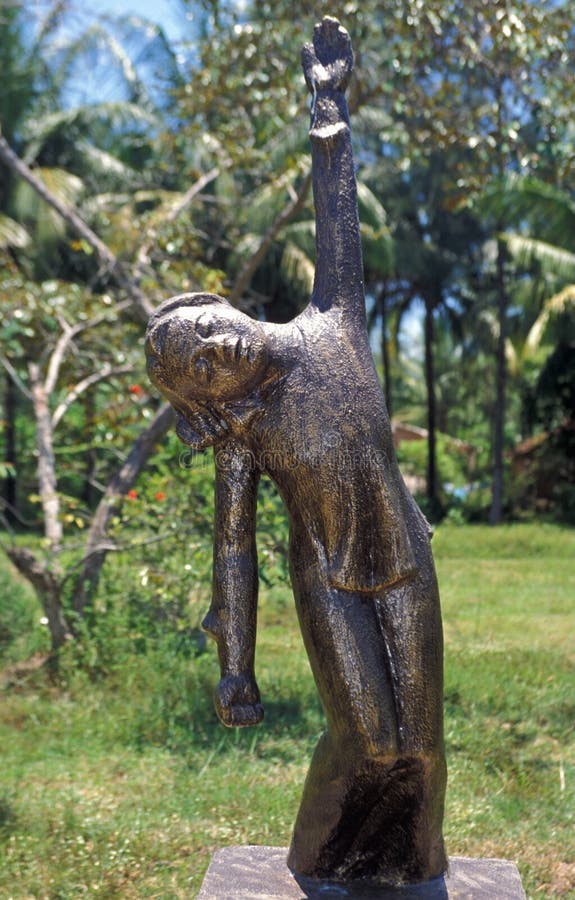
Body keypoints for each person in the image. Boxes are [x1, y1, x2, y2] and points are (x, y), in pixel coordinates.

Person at [146, 16, 447, 885]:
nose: (218, 351)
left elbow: (337, 216)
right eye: (199, 366)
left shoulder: (334, 322)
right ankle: (319, 857)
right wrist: (234, 667)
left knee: (421, 748)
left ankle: (406, 868)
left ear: (224, 304)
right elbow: (231, 552)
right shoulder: (242, 432)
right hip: (326, 578)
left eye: (209, 329)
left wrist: (327, 109)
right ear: (203, 393)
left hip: (403, 557)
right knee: (371, 736)